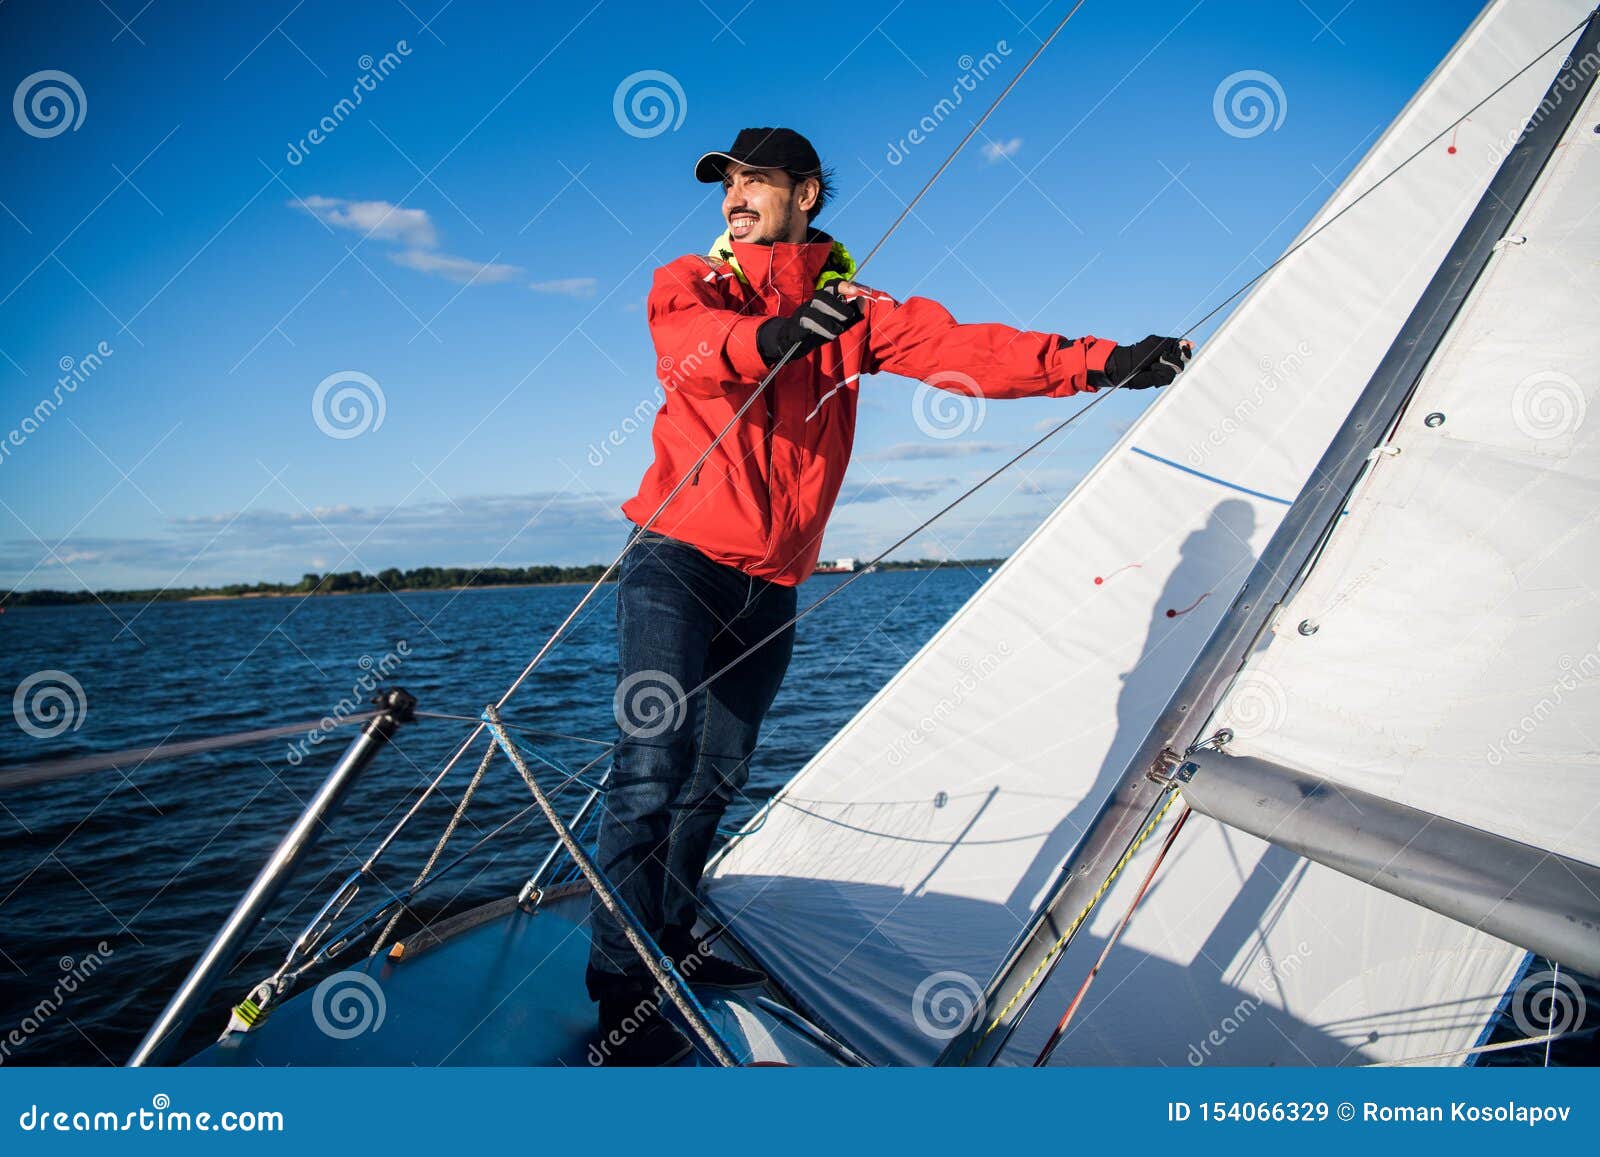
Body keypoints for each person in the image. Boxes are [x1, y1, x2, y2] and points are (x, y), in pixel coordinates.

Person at [587, 127, 1191, 1065]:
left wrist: (1101, 361)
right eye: (726, 182)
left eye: (755, 180)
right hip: (677, 557)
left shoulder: (853, 309)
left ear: (807, 194)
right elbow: (692, 349)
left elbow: (967, 350)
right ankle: (622, 994)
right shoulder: (695, 281)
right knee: (650, 764)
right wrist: (778, 336)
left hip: (771, 582)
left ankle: (672, 936)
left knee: (716, 777)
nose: (734, 196)